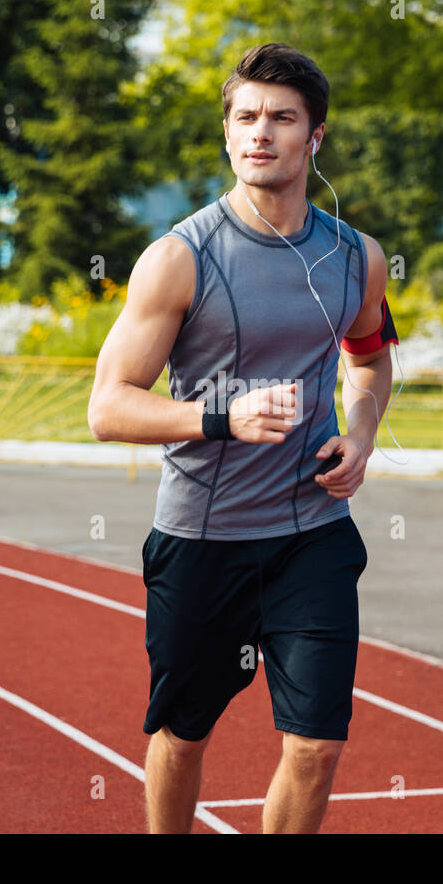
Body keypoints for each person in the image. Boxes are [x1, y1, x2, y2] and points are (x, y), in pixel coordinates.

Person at [87, 43, 398, 833]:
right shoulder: (177, 259)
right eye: (246, 117)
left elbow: (369, 363)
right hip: (204, 540)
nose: (261, 133)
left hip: (312, 538)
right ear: (227, 134)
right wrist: (222, 417)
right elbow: (108, 408)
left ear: (315, 138)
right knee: (183, 736)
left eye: (281, 119)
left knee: (317, 747)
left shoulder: (356, 257)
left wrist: (361, 433)